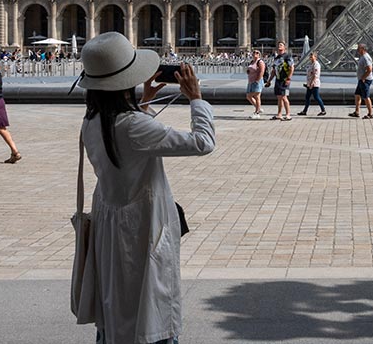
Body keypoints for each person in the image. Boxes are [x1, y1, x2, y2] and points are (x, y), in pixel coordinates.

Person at [75, 31, 215, 344]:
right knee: (151, 308)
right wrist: (196, 98)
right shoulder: (132, 124)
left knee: (116, 305)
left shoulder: (93, 119)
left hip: (110, 227)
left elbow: (129, 140)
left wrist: (144, 102)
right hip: (141, 228)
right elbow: (203, 143)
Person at [265, 41, 293, 121]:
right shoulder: (276, 58)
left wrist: (289, 78)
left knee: (284, 97)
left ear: (284, 47)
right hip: (278, 79)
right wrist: (269, 80)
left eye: (281, 45)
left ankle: (288, 114)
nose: (279, 46)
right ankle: (279, 114)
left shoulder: (287, 56)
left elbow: (292, 68)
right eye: (278, 45)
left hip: (285, 80)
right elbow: (274, 71)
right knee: (279, 97)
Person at [349, 43, 373, 119]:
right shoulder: (362, 57)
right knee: (357, 95)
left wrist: (363, 77)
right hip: (362, 80)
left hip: (365, 80)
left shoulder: (366, 57)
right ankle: (356, 112)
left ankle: (370, 113)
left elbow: (369, 69)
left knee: (366, 97)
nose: (357, 50)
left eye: (358, 48)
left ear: (363, 49)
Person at [297, 50, 326, 116]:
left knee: (316, 97)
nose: (310, 58)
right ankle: (304, 111)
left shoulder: (316, 64)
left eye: (311, 56)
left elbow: (315, 75)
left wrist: (312, 83)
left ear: (315, 57)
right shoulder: (312, 64)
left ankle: (323, 110)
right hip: (310, 83)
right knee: (307, 97)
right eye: (310, 56)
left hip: (314, 84)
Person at [244, 49, 265, 119]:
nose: (255, 54)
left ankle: (257, 113)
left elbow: (262, 71)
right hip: (250, 81)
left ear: (259, 55)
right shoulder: (252, 62)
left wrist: (257, 80)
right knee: (248, 96)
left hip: (257, 81)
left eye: (257, 53)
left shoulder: (260, 62)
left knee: (257, 96)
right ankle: (258, 108)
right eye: (254, 52)